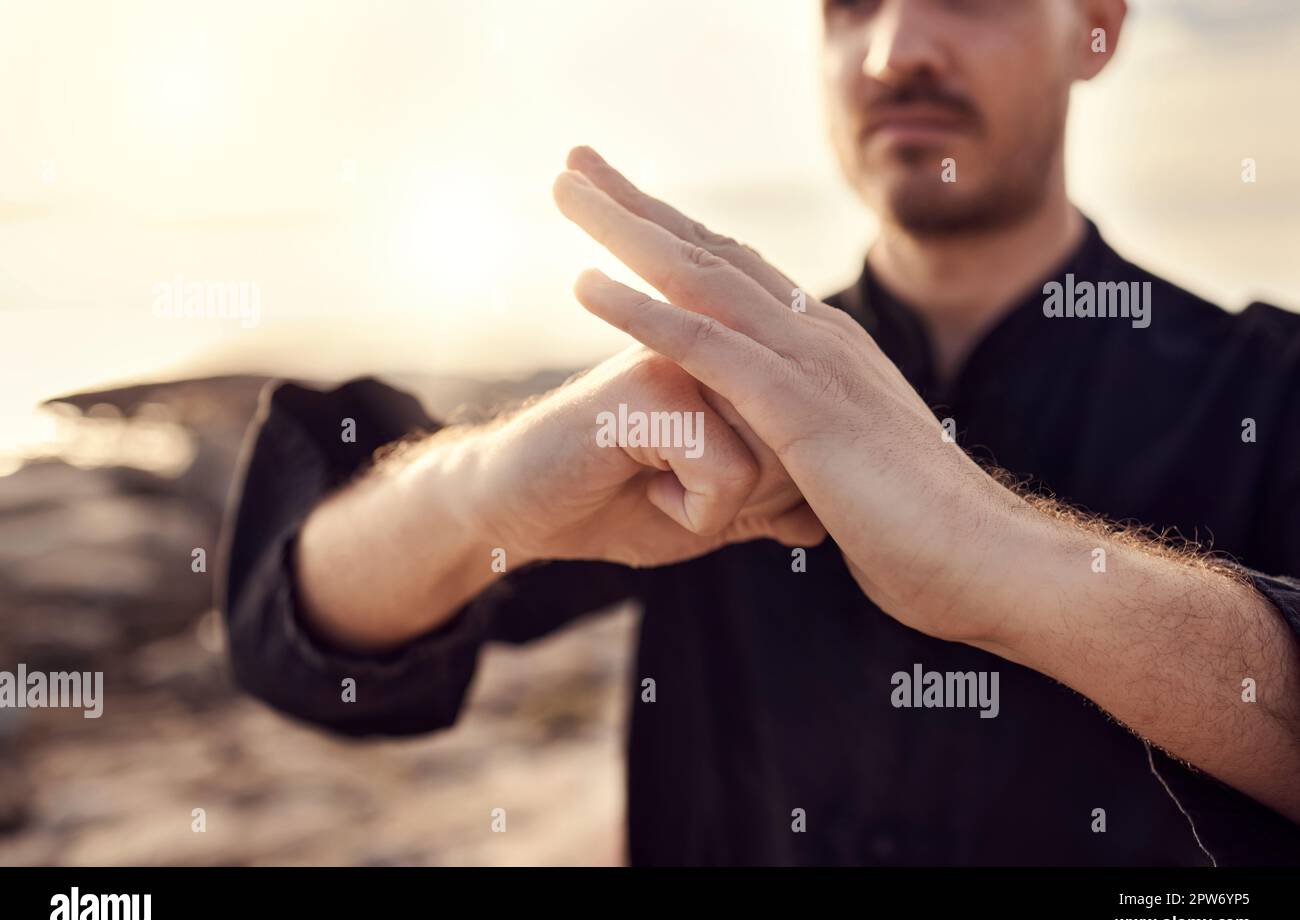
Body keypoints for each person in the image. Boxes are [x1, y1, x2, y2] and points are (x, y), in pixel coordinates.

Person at [219, 0, 1300, 865]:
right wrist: (479, 494)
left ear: (1097, 27)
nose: (891, 48)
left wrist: (1005, 555)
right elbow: (302, 637)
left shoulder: (1272, 387)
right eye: (847, 5)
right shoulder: (711, 392)